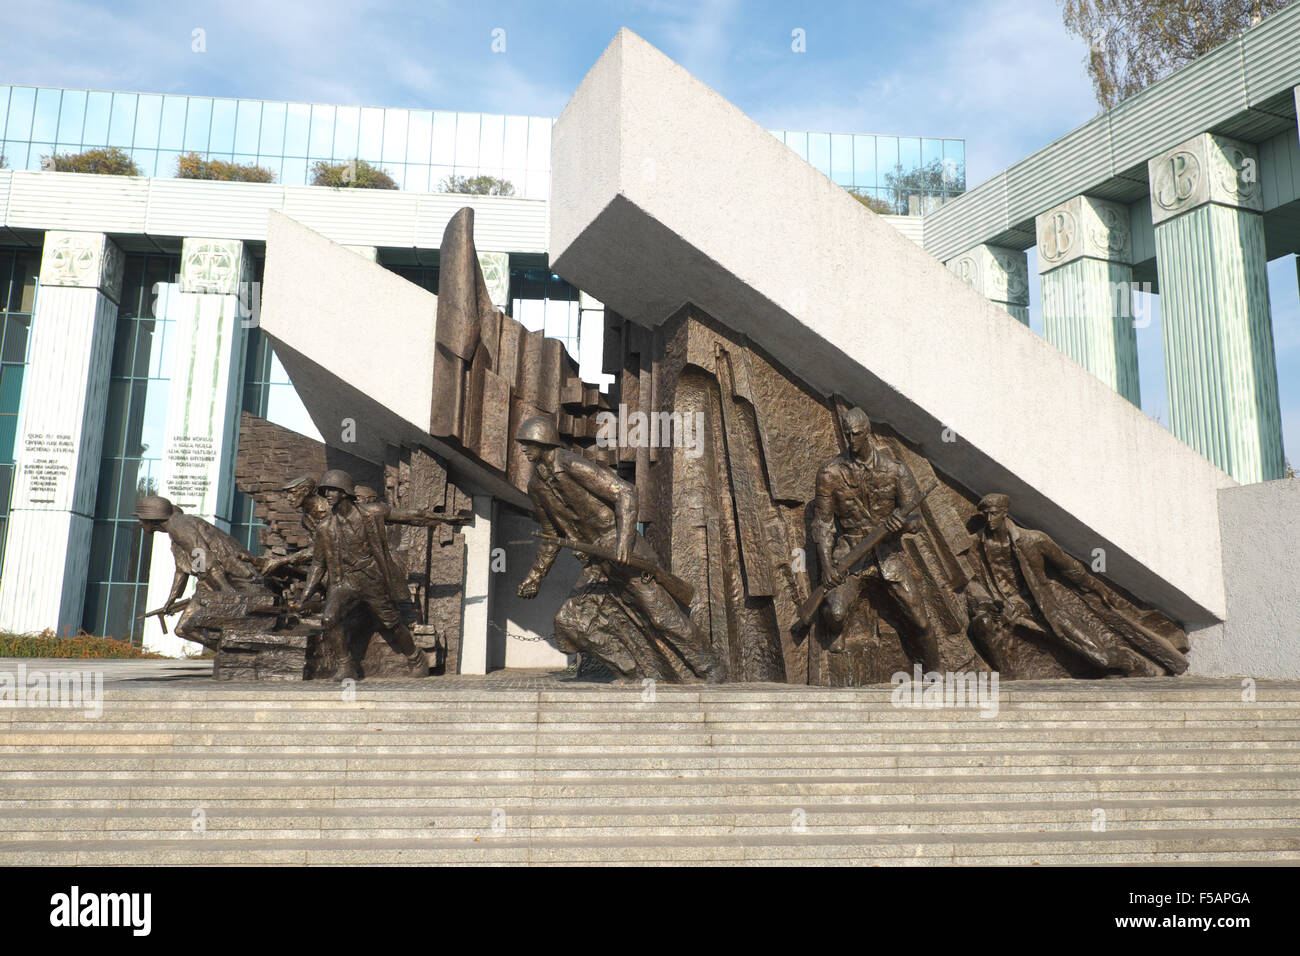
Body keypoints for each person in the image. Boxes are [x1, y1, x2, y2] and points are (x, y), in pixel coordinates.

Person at [514, 416, 716, 682]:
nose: (524, 449)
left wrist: (623, 543)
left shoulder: (571, 463)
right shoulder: (536, 486)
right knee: (569, 622)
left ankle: (711, 669)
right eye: (522, 444)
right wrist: (535, 576)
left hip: (619, 548)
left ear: (543, 441)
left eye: (528, 443)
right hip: (595, 563)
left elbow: (625, 492)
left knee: (661, 616)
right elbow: (551, 534)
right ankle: (636, 673)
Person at [971, 493, 1187, 676]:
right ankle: (1006, 678)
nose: (989, 518)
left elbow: (1069, 567)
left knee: (1100, 658)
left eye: (994, 513)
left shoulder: (1033, 540)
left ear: (1005, 513)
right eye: (985, 514)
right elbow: (974, 583)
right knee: (982, 624)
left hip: (1045, 609)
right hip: (1008, 610)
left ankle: (1135, 663)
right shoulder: (978, 545)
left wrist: (1097, 587)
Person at [810, 406, 941, 669]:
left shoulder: (896, 470)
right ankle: (835, 639)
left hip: (887, 554)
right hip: (850, 553)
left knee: (920, 619)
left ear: (868, 433)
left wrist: (901, 524)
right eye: (847, 434)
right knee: (834, 613)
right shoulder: (829, 473)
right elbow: (823, 524)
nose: (851, 440)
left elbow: (918, 523)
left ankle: (935, 669)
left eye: (856, 434)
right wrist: (826, 567)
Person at [296, 469, 428, 678]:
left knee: (391, 622)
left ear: (345, 492)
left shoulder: (371, 513)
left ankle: (415, 656)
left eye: (333, 489)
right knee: (329, 618)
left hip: (371, 578)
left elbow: (405, 516)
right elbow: (318, 565)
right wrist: (305, 596)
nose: (328, 494)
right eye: (326, 490)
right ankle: (346, 665)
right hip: (344, 583)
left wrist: (435, 518)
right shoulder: (324, 528)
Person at [134, 495, 267, 644]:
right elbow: (181, 570)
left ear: (152, 519)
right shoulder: (176, 527)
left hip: (237, 580)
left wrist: (227, 592)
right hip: (215, 581)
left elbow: (202, 555)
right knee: (182, 629)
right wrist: (171, 600)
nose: (140, 523)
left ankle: (231, 650)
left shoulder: (179, 527)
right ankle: (225, 651)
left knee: (185, 628)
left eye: (141, 518)